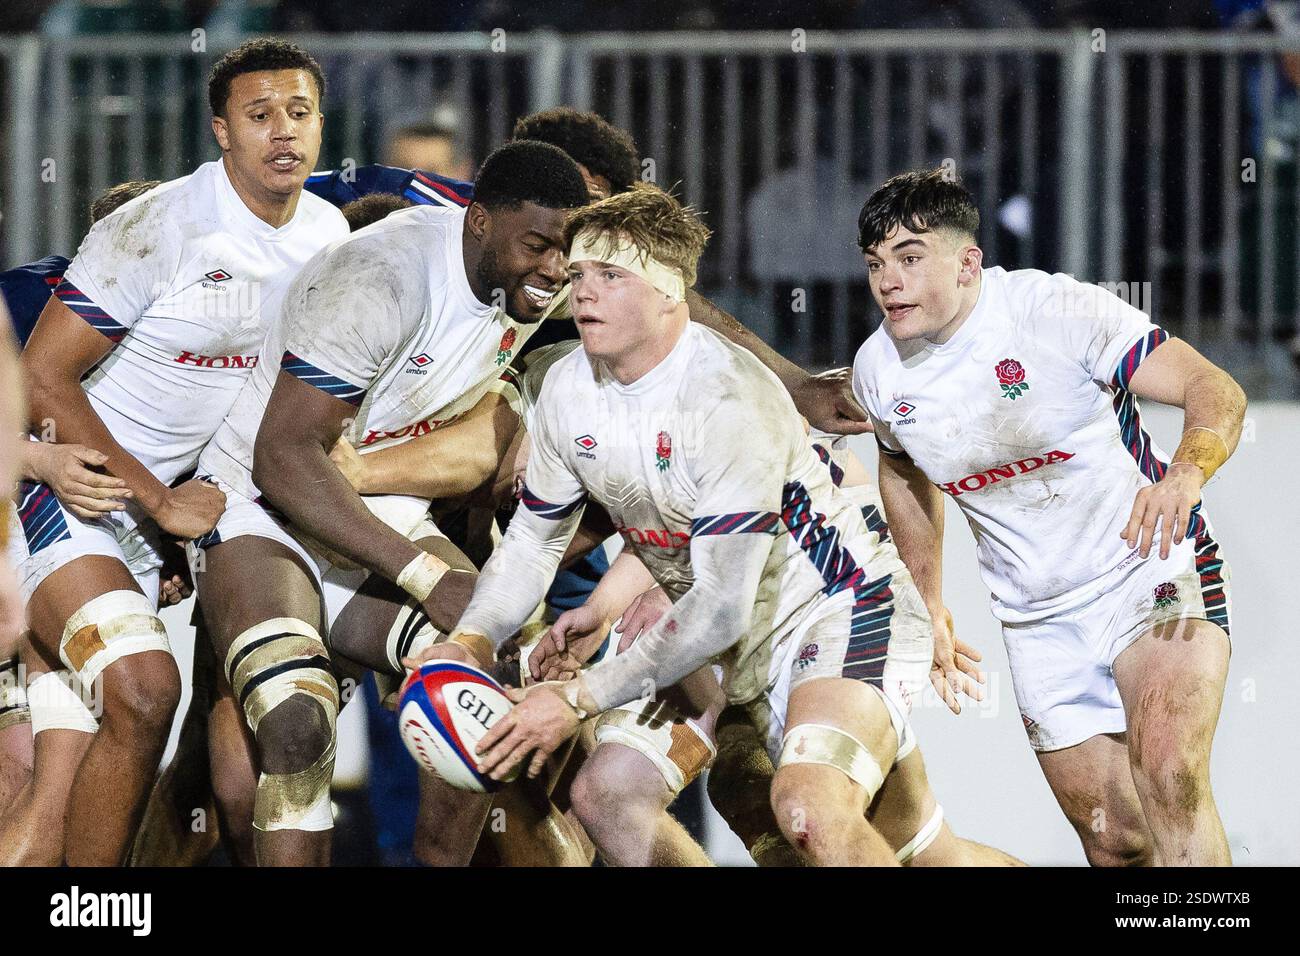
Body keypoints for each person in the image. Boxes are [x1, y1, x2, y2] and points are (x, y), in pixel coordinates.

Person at [438, 183, 1014, 866]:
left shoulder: (727, 399)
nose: (581, 293)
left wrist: (577, 696)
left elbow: (719, 607)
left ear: (669, 292)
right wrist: (471, 638)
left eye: (610, 276)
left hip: (840, 613)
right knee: (610, 798)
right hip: (731, 642)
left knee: (810, 809)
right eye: (579, 274)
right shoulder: (567, 388)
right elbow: (535, 542)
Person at [185, 140, 591, 866]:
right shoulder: (383, 277)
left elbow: (668, 290)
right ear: (478, 224)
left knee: (487, 674)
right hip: (260, 506)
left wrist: (788, 379)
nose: (556, 269)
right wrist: (429, 576)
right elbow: (282, 460)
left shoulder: (536, 278)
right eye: (538, 245)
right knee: (295, 724)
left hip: (371, 505)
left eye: (569, 250)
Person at [1, 37, 346, 866]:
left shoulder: (329, 235)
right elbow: (45, 381)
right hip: (74, 502)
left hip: (173, 533)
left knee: (72, 788)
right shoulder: (158, 226)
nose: (283, 133)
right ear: (221, 131)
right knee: (145, 693)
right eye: (259, 116)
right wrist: (158, 503)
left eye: (299, 113)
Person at [851, 168, 1244, 866]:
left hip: (1148, 568)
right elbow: (904, 471)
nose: (889, 281)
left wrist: (1186, 473)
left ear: (968, 262)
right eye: (876, 263)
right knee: (1113, 836)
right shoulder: (879, 370)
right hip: (1037, 616)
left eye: (910, 258)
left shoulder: (1055, 311)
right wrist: (929, 600)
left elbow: (1210, 385)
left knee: (1170, 772)